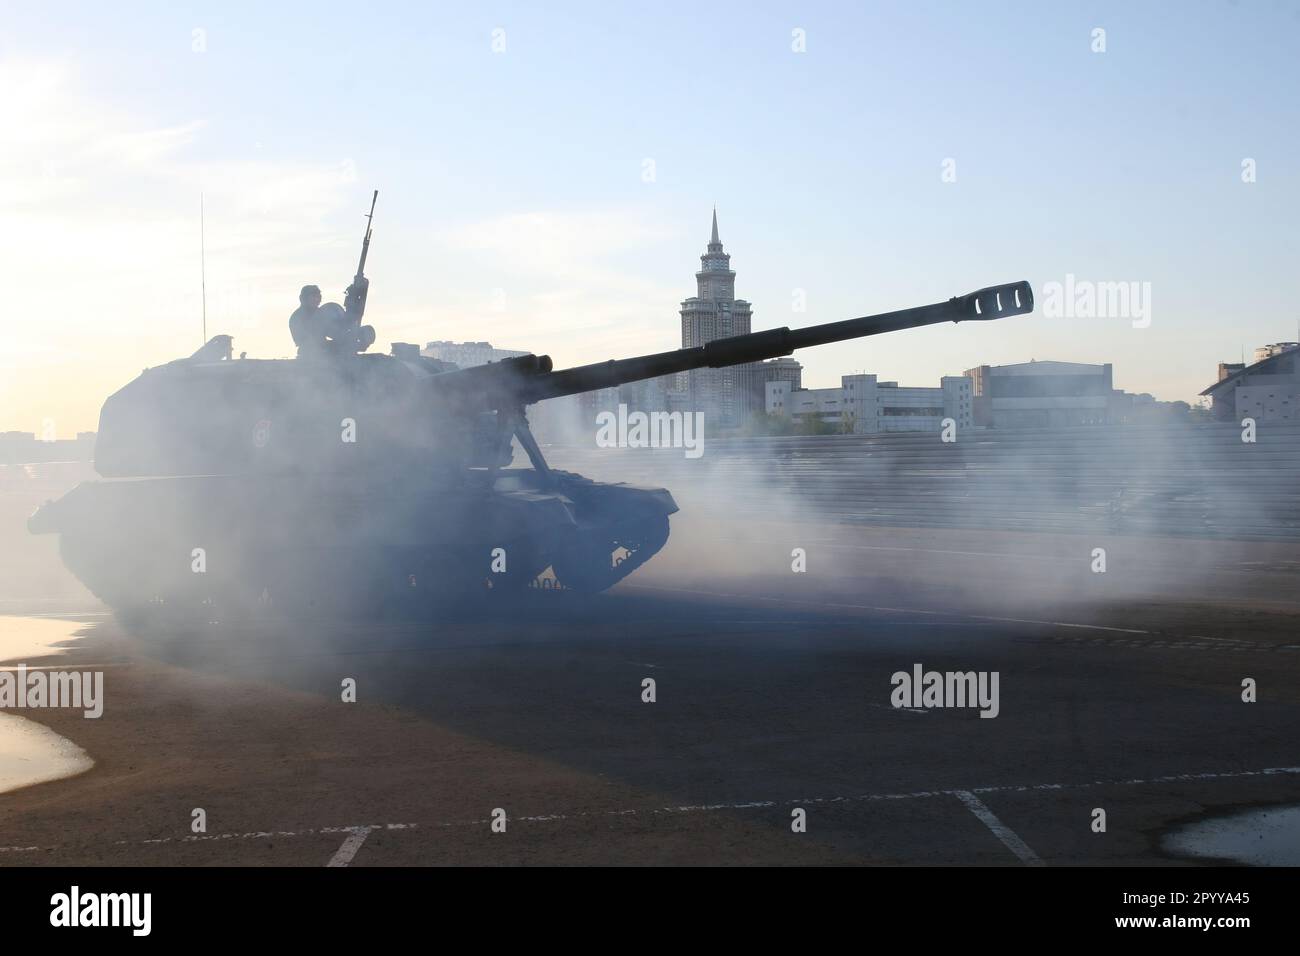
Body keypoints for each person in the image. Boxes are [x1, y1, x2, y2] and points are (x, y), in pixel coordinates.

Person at [289, 284, 376, 356]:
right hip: (310, 355)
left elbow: (336, 330)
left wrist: (350, 322)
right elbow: (309, 343)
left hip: (325, 351)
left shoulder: (320, 313)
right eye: (313, 297)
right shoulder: (297, 318)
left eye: (318, 297)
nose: (316, 300)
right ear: (303, 298)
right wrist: (343, 344)